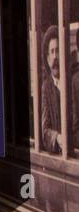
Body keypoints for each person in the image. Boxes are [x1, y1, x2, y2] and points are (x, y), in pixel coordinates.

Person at [40, 25, 63, 154]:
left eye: (58, 51)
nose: (55, 57)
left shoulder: (71, 83)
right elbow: (45, 132)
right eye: (52, 52)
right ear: (48, 59)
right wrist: (58, 138)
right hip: (57, 157)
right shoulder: (46, 88)